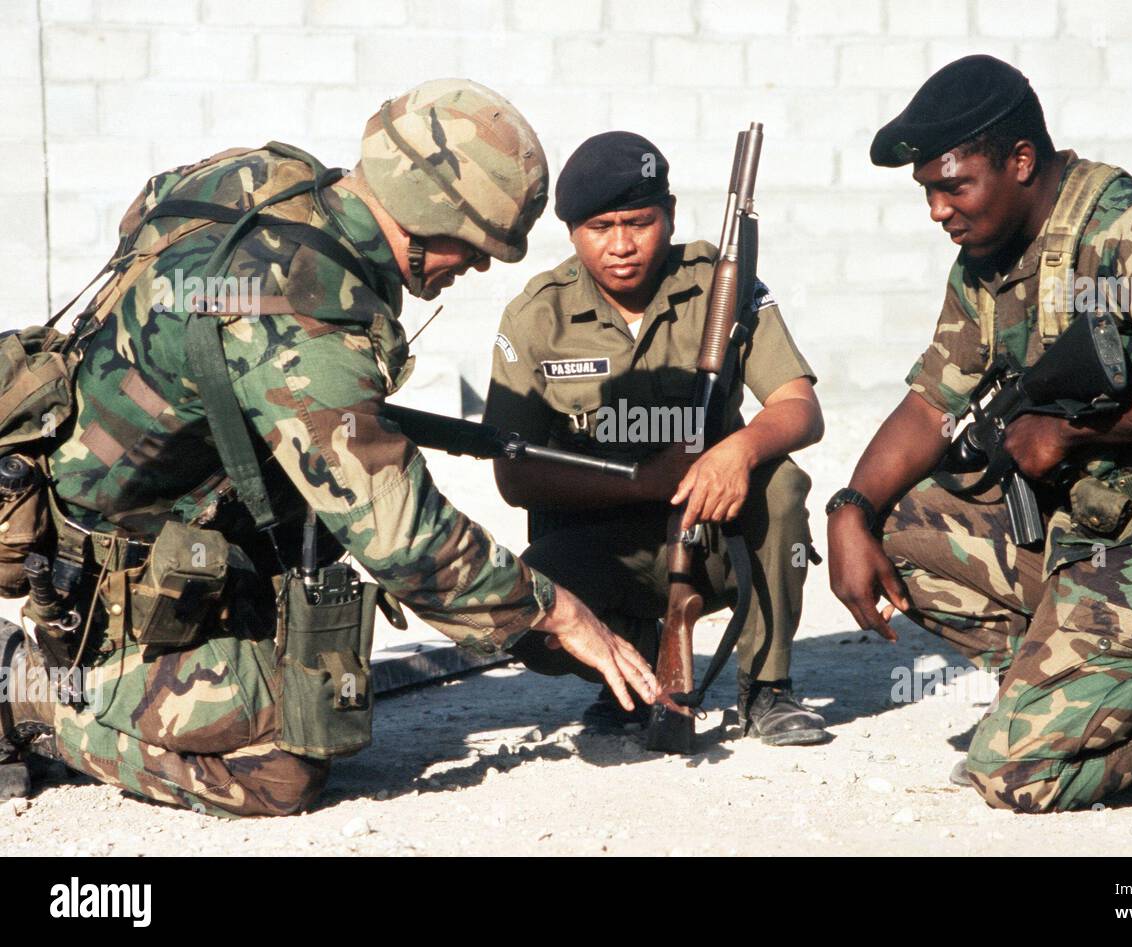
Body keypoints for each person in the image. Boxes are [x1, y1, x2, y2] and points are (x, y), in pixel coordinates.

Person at [0, 79, 658, 815]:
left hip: (92, 507)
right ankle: (34, 691)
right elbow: (405, 538)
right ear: (428, 213)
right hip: (108, 587)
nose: (467, 273)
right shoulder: (310, 320)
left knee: (327, 676)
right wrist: (555, 610)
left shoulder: (262, 179)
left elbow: (154, 236)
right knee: (285, 766)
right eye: (472, 252)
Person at [827, 55, 1132, 812]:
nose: (938, 210)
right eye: (928, 192)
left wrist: (1074, 430)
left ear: (1019, 161)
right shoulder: (985, 262)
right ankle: (1066, 693)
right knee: (901, 525)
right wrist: (848, 507)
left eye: (952, 185)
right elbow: (929, 405)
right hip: (1085, 540)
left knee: (1016, 775)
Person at [483, 131, 829, 746]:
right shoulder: (537, 315)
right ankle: (630, 671)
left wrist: (736, 451)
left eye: (639, 222)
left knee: (781, 482)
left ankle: (766, 689)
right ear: (570, 232)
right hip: (603, 548)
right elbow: (513, 476)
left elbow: (799, 407)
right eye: (599, 227)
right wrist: (641, 481)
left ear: (667, 216)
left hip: (714, 535)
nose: (621, 245)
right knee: (526, 620)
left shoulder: (724, 284)